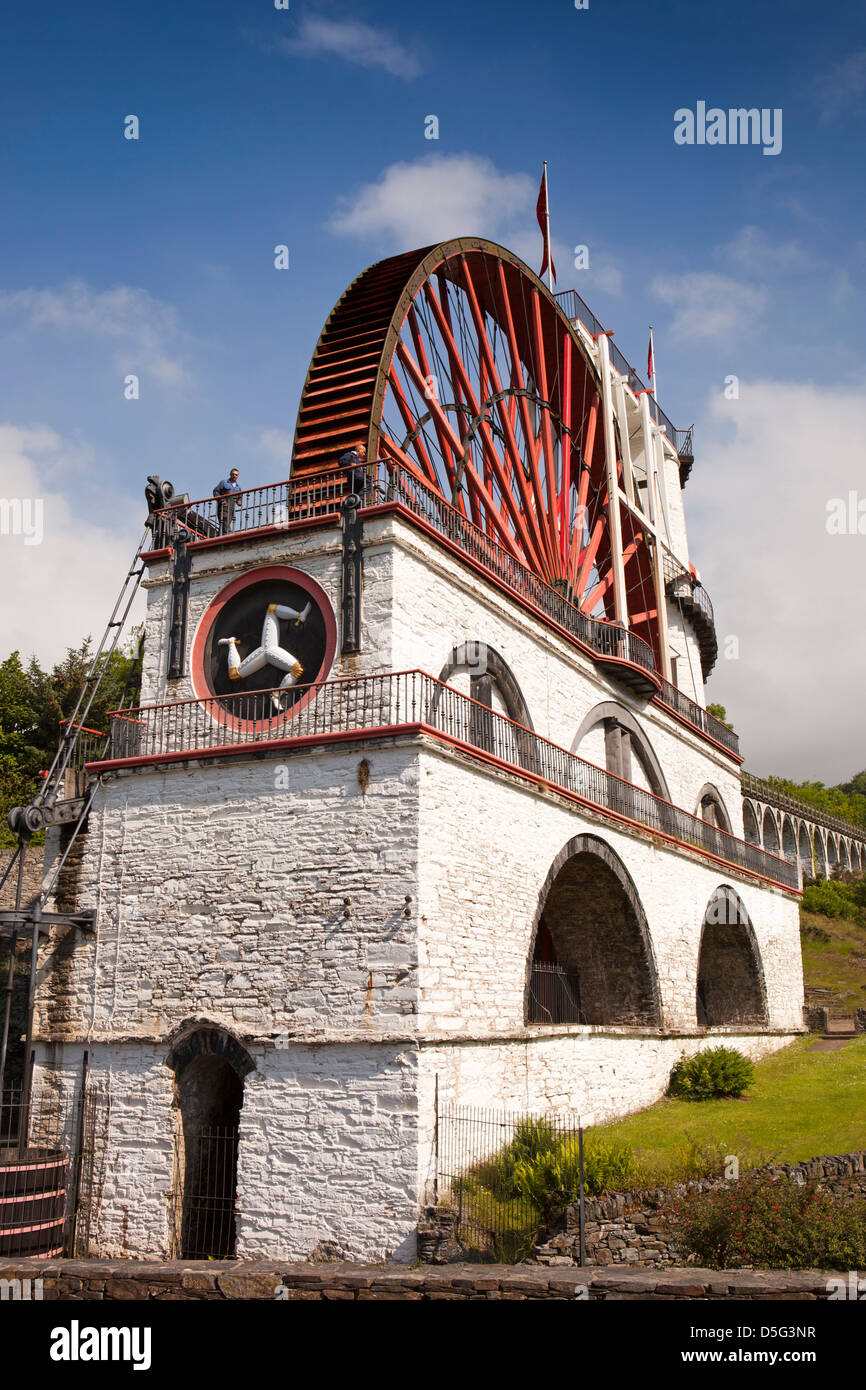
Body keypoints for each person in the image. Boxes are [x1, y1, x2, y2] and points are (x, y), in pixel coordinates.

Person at [213, 469, 242, 534]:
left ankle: (219, 535)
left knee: (227, 522)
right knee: (224, 519)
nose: (234, 476)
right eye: (233, 474)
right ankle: (228, 534)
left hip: (231, 508)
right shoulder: (224, 483)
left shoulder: (238, 488)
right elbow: (216, 491)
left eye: (236, 475)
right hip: (223, 506)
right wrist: (221, 500)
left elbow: (240, 497)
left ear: (238, 476)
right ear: (230, 474)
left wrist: (239, 501)